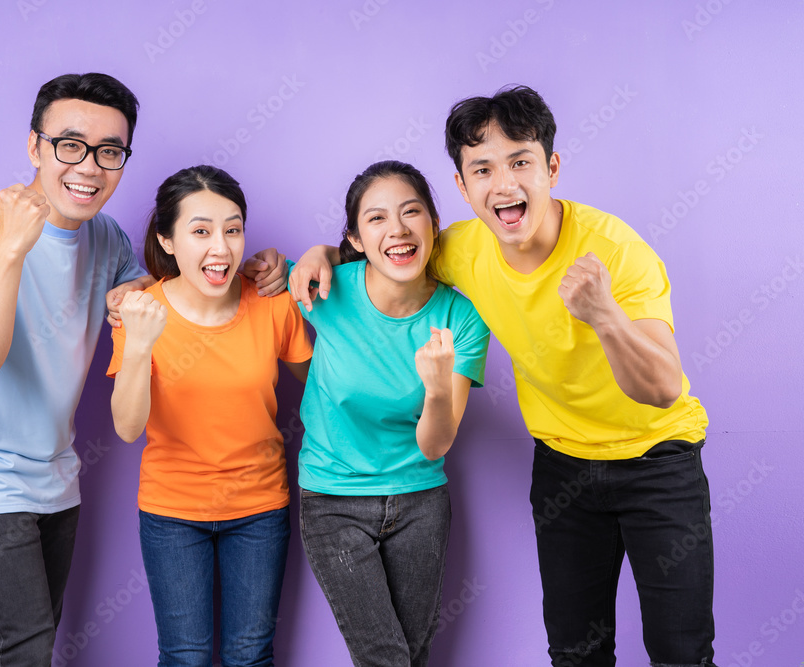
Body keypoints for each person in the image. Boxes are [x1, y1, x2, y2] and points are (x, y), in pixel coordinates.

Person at [291, 87, 714, 667]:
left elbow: (664, 388)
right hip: (563, 466)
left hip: (659, 462)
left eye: (521, 161)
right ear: (464, 190)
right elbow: (389, 250)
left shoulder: (614, 251)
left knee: (680, 654)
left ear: (552, 169)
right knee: (574, 653)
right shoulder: (459, 248)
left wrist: (606, 315)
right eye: (483, 169)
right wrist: (319, 253)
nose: (505, 183)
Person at [0, 72, 285, 666]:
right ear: (35, 146)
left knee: (43, 640)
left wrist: (237, 271)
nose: (88, 166)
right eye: (70, 145)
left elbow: (156, 286)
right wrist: (12, 247)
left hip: (57, 474)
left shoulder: (106, 237)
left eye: (109, 151)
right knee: (24, 650)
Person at [106, 165, 312, 667]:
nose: (220, 247)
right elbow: (128, 427)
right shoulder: (140, 310)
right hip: (173, 512)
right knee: (186, 657)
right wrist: (140, 346)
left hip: (260, 508)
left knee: (248, 656)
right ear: (167, 240)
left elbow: (324, 393)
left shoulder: (271, 303)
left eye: (233, 229)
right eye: (200, 231)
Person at [292, 160, 489, 667]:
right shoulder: (324, 289)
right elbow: (244, 284)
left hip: (420, 500)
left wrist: (437, 387)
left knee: (415, 653)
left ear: (432, 224)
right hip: (333, 498)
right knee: (385, 658)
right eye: (376, 219)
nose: (398, 229)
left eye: (411, 212)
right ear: (355, 238)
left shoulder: (460, 317)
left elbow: (435, 445)